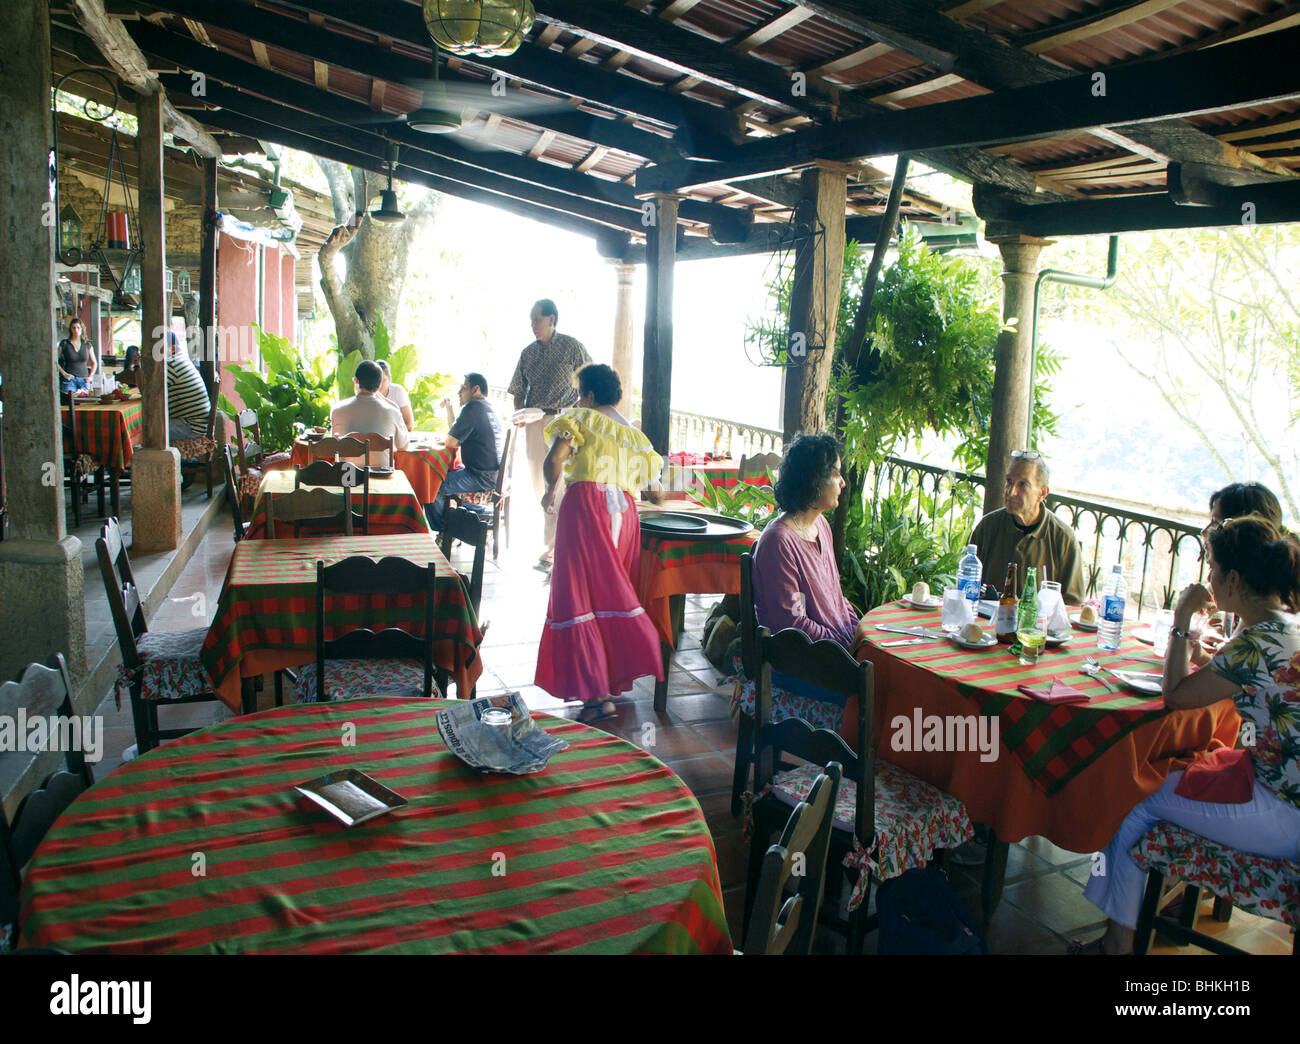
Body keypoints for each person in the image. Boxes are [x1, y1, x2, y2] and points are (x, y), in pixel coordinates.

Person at [1079, 514, 1300, 954]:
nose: (1208, 577)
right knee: (1161, 780)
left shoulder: (1254, 644)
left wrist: (1182, 615)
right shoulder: (1287, 628)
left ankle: (1116, 943)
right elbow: (1254, 711)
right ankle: (1121, 929)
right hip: (1282, 793)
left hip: (1282, 814)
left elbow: (1177, 695)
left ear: (1234, 579)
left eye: (1212, 568)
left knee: (1128, 797)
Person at [534, 364, 663, 722]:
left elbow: (555, 459)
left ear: (589, 395)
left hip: (587, 508)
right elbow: (655, 491)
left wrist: (549, 491)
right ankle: (608, 681)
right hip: (624, 514)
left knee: (577, 595)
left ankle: (596, 695)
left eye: (580, 394)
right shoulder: (634, 436)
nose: (578, 400)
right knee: (611, 593)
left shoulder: (580, 418)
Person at [740, 432, 859, 732]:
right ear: (814, 480)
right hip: (797, 665)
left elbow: (836, 599)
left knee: (889, 679)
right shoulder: (778, 542)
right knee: (879, 694)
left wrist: (858, 634)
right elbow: (793, 627)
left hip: (828, 656)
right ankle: (857, 775)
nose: (842, 482)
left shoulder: (821, 526)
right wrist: (845, 649)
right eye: (835, 474)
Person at [508, 299, 592, 570]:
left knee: (557, 483)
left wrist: (578, 412)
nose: (532, 324)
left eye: (537, 319)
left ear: (551, 319)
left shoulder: (572, 346)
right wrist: (520, 414)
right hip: (534, 421)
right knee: (538, 483)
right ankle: (550, 548)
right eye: (531, 319)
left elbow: (591, 381)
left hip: (563, 420)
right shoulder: (528, 353)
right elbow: (518, 390)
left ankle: (553, 551)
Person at [969, 449, 1084, 604]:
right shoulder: (988, 527)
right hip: (987, 623)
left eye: (1023, 485)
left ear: (1042, 493)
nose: (1011, 492)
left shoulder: (1062, 538)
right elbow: (967, 585)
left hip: (1036, 627)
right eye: (1009, 482)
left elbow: (1073, 603)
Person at [1192, 481, 1286, 664]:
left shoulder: (1264, 604)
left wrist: (1180, 625)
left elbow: (1177, 693)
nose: (1205, 531)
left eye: (1217, 523)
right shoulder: (1258, 586)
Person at [427, 373, 503, 530]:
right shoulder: (487, 407)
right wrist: (449, 408)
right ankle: (483, 518)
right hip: (492, 476)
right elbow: (456, 432)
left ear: (475, 389)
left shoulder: (473, 407)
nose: (459, 392)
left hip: (480, 477)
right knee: (448, 480)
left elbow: (450, 442)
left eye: (463, 387)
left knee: (432, 487)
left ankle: (443, 531)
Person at [330, 359, 409, 458]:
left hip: (347, 472)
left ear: (356, 380)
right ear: (379, 384)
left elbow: (334, 446)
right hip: (381, 472)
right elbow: (403, 446)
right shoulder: (392, 412)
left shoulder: (337, 410)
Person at [165, 331, 210, 439]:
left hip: (191, 426)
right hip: (197, 423)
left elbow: (148, 394)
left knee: (146, 431)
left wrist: (138, 368)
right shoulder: (182, 359)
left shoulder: (171, 364)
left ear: (171, 348)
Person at [56, 318, 97, 395]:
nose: (76, 330)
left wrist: (90, 376)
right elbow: (54, 360)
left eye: (78, 327)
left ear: (82, 329)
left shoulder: (87, 345)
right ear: (70, 329)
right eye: (73, 327)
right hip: (69, 379)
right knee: (70, 402)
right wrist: (64, 374)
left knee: (85, 404)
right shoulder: (65, 344)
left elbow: (94, 363)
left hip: (84, 380)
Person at [376, 359, 416, 431]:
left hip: (396, 438)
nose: (379, 384)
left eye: (383, 380)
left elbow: (409, 425)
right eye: (376, 380)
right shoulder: (367, 392)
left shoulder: (398, 391)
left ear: (390, 379)